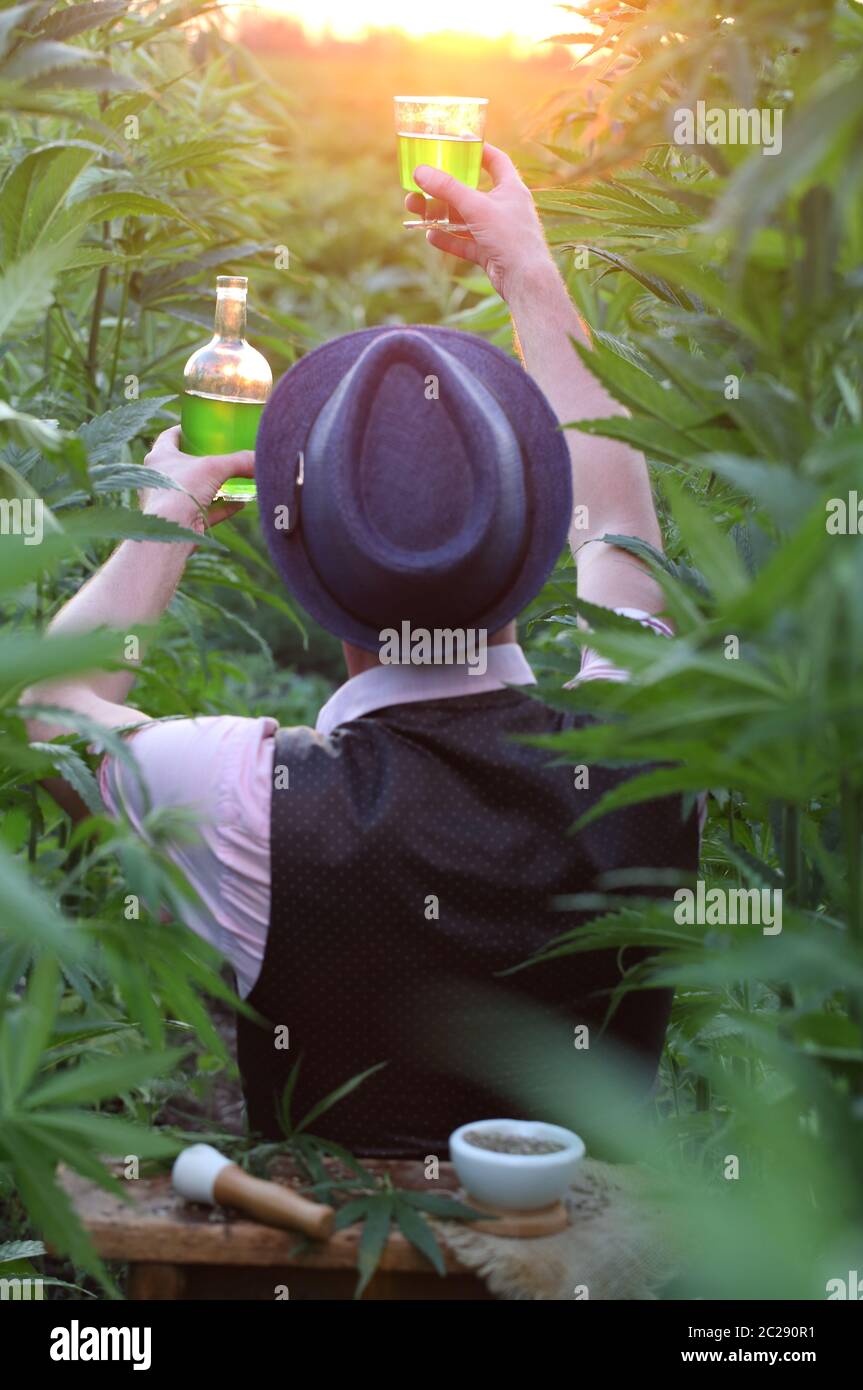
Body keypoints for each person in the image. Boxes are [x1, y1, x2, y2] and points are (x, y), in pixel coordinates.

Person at [24, 146, 698, 1156]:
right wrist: (527, 267)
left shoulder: (244, 800)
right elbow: (620, 531)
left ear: (310, 569)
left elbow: (50, 709)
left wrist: (167, 509)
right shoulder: (654, 739)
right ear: (528, 536)